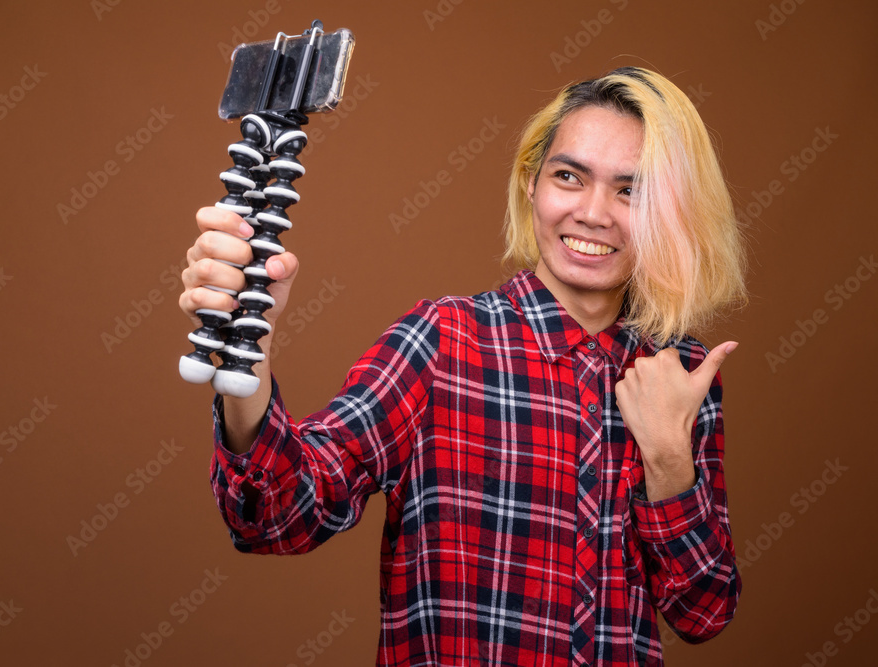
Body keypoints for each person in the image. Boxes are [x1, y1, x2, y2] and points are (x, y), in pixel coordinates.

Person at [179, 66, 746, 666]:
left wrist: (667, 462)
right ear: (531, 183)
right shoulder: (443, 342)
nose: (594, 213)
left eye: (631, 191)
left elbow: (704, 612)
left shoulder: (678, 373)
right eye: (568, 177)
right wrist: (253, 349)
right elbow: (276, 517)